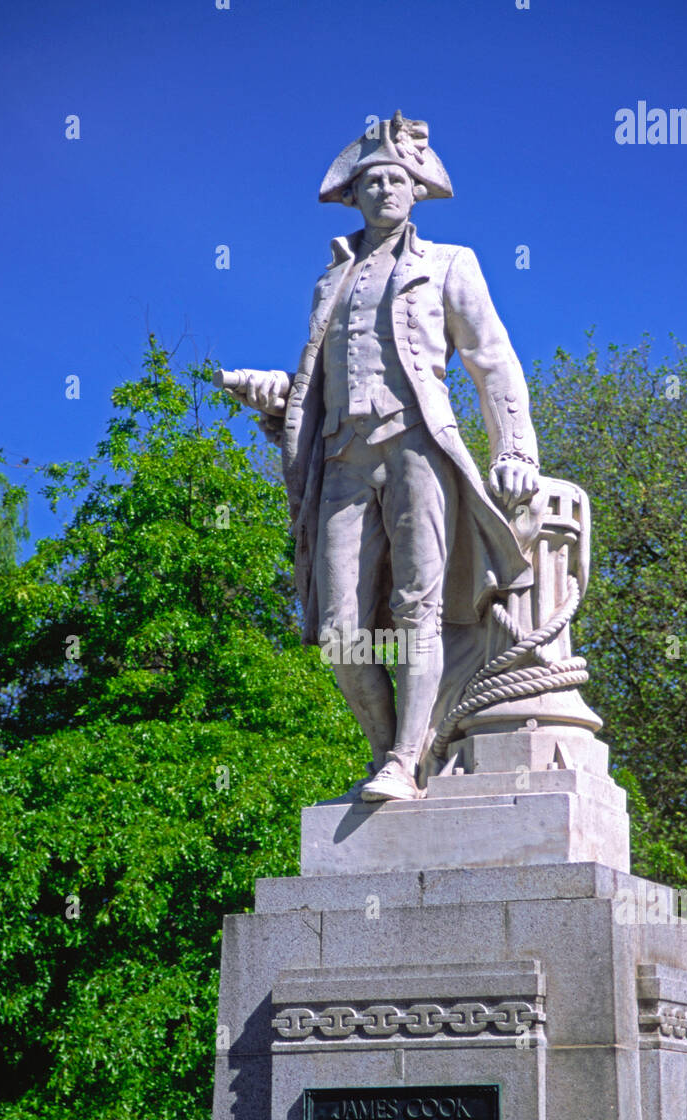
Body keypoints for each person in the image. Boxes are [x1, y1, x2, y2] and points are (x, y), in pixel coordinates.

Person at [219, 112, 539, 800]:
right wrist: (278, 396)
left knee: (416, 608)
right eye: (373, 181)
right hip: (341, 460)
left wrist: (514, 451)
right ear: (353, 195)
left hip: (418, 448)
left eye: (398, 179)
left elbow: (492, 362)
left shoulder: (451, 264)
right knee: (339, 631)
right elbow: (320, 380)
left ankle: (402, 760)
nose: (387, 190)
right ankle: (386, 750)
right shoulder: (327, 282)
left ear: (415, 189)